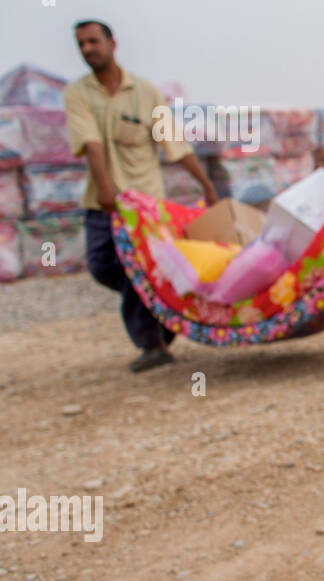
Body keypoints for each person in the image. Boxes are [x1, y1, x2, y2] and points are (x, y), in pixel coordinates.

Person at [65, 20, 217, 372]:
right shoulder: (78, 94)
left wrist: (206, 186)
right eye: (81, 44)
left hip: (144, 207)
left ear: (112, 43)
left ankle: (152, 344)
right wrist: (105, 189)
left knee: (137, 270)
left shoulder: (145, 93)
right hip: (102, 203)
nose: (88, 49)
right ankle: (160, 307)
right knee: (104, 267)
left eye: (93, 42)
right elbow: (90, 143)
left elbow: (175, 146)